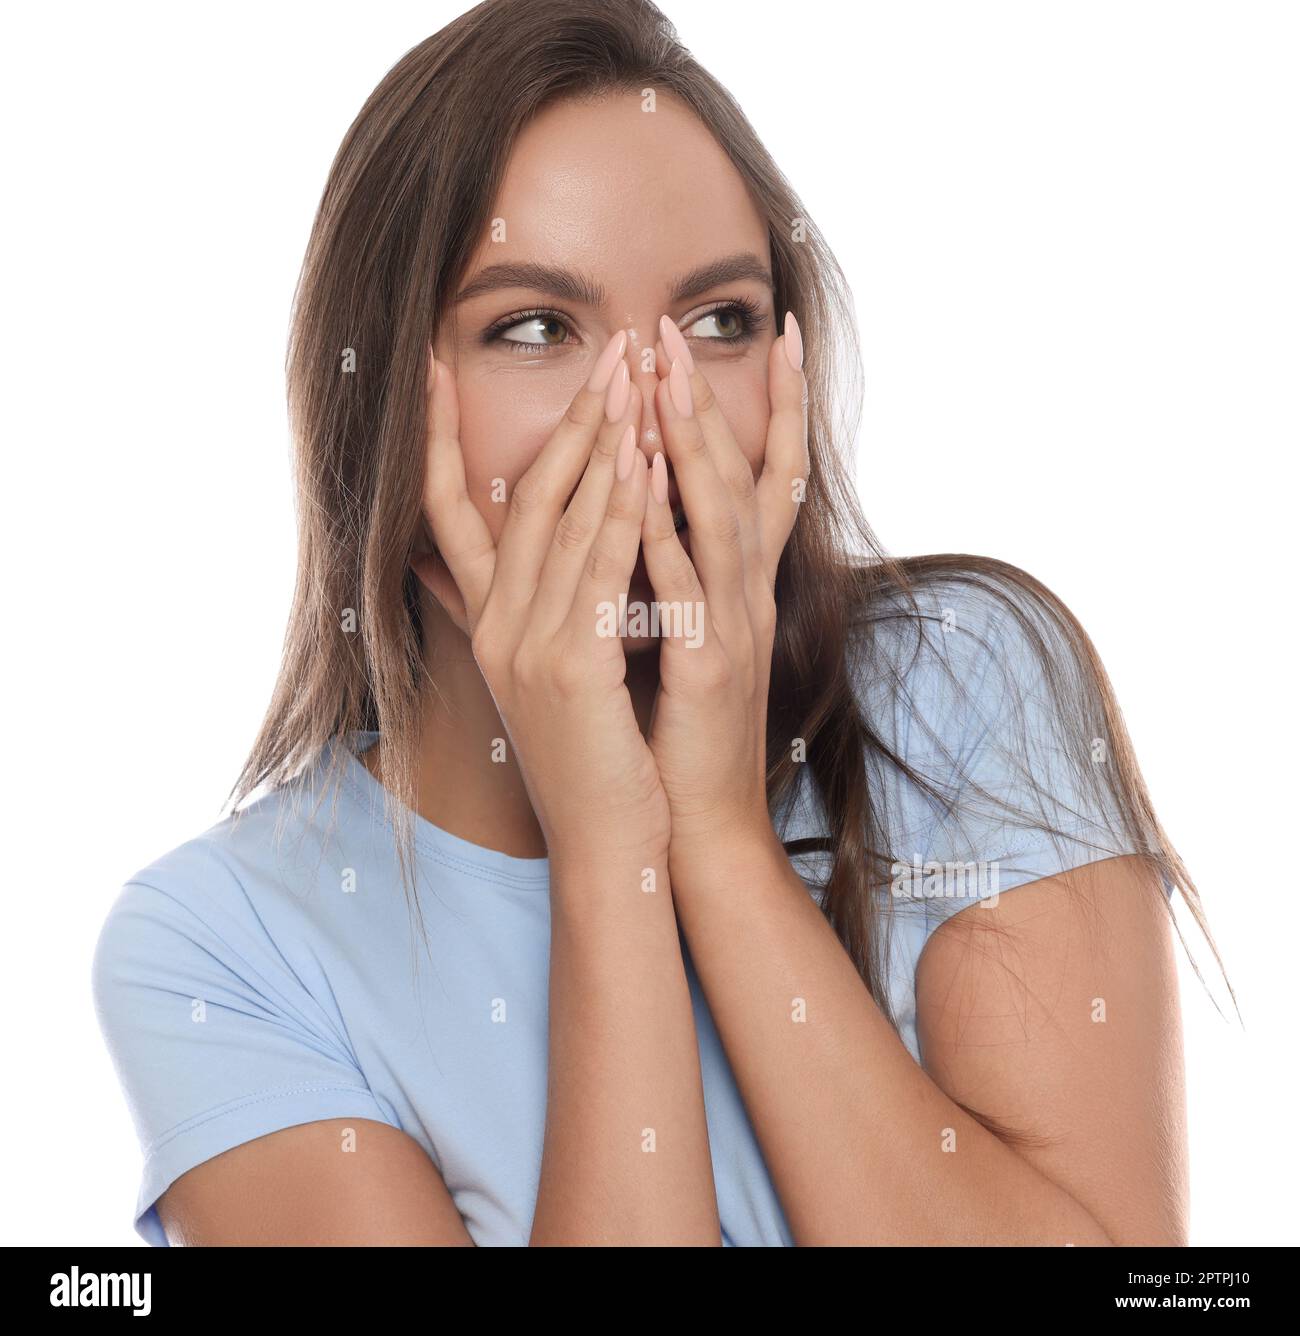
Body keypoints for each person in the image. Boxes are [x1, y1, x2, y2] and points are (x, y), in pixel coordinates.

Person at [91, 0, 1219, 1246]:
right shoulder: (223, 950)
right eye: (535, 327)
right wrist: (611, 853)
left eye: (718, 321)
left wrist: (723, 845)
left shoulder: (961, 682)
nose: (643, 418)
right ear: (383, 409)